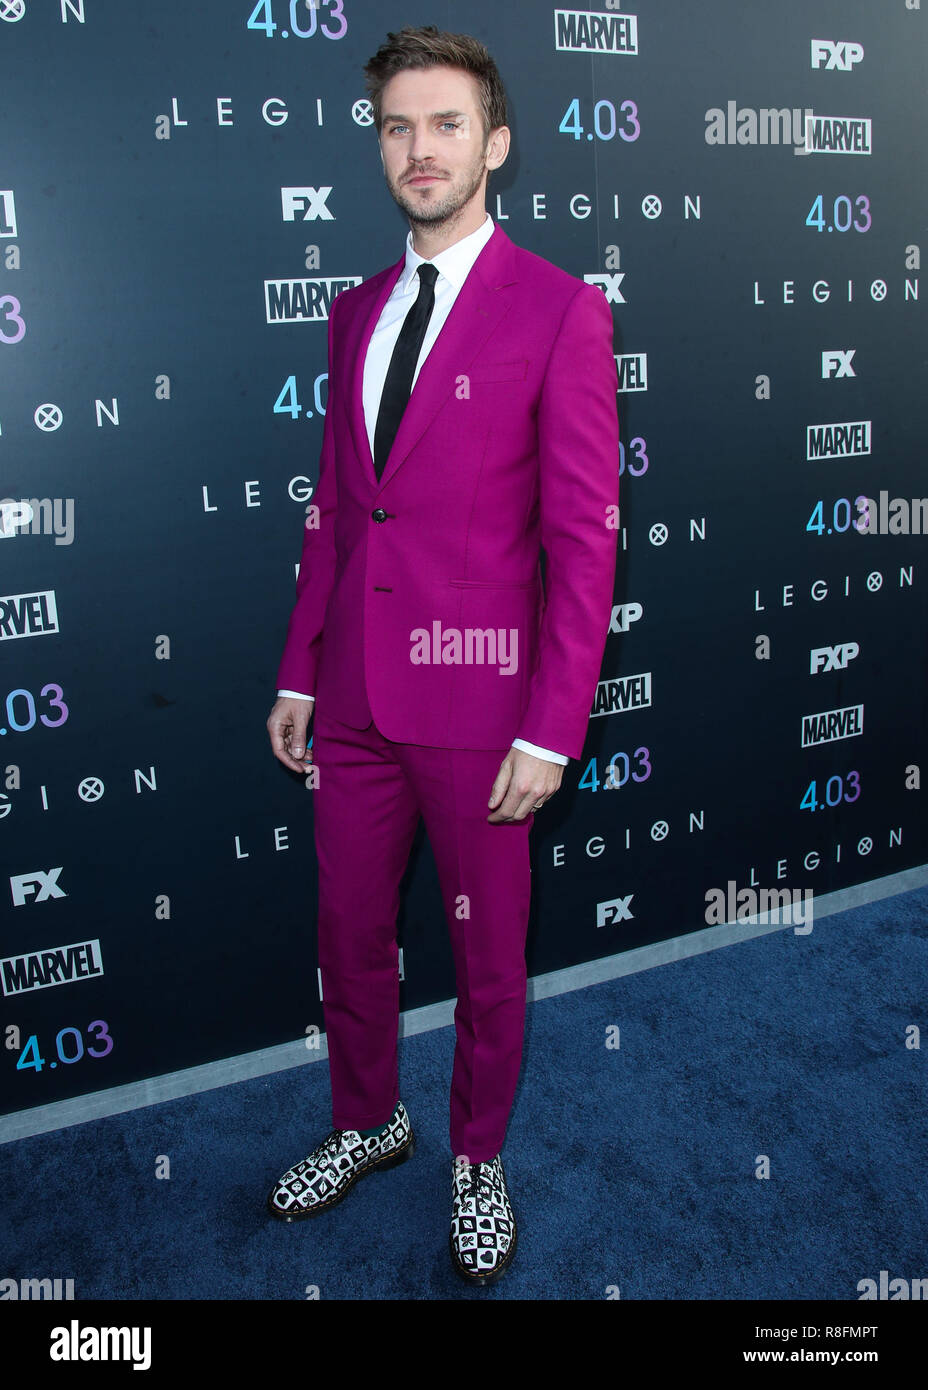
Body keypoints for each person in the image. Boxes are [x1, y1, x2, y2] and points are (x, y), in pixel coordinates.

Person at [265, 24, 619, 1285]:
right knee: (348, 928)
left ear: (496, 144)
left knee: (485, 952)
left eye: (446, 124)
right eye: (397, 127)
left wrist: (552, 723)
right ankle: (369, 1120)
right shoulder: (355, 309)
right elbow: (338, 508)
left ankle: (478, 1155)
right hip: (354, 693)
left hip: (483, 705)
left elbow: (583, 539)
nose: (420, 149)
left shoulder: (560, 311)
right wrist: (303, 666)